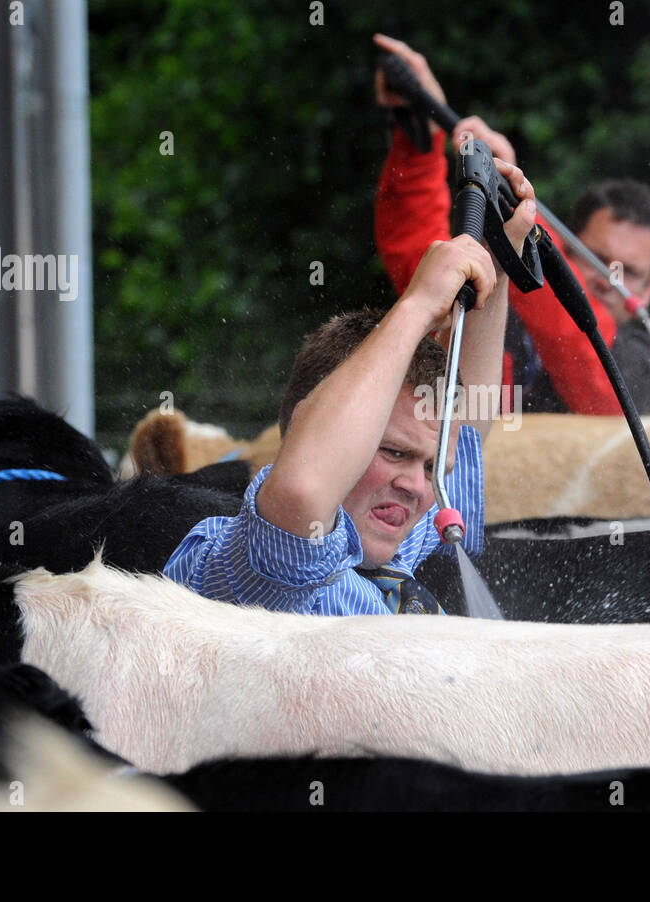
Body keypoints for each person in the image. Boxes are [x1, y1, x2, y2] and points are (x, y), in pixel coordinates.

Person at [164, 158, 537, 616]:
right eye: (394, 452)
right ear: (309, 424)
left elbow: (468, 427)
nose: (421, 489)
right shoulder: (255, 571)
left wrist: (495, 266)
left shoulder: (394, 525)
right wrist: (418, 304)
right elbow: (303, 488)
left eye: (431, 465)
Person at [373, 33, 650, 416]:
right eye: (596, 258)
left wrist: (508, 208)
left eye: (629, 272)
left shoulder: (646, 369)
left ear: (649, 290)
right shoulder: (495, 311)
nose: (609, 277)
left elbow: (586, 357)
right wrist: (419, 137)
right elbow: (421, 263)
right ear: (565, 251)